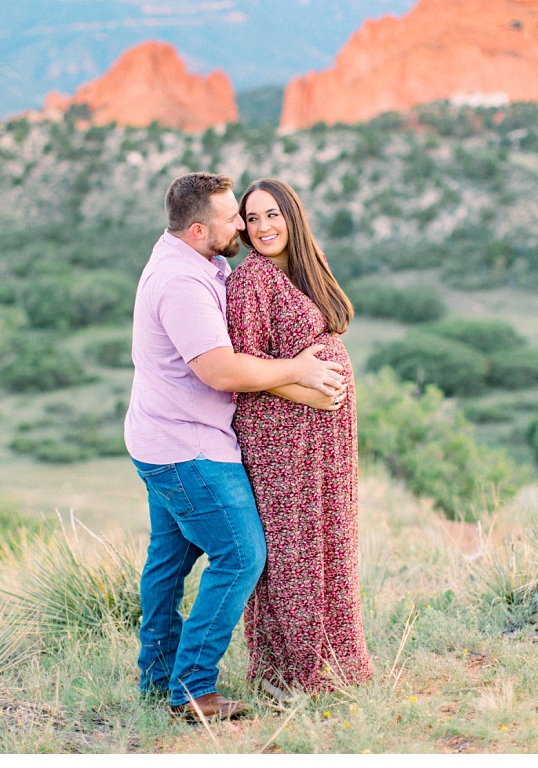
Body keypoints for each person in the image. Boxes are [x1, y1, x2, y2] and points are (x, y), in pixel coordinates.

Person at [124, 172, 345, 722]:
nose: (243, 228)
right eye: (233, 219)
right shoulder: (181, 284)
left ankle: (157, 676)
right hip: (187, 448)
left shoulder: (197, 260)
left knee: (168, 562)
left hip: (161, 435)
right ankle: (193, 689)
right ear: (199, 229)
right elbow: (219, 370)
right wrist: (299, 370)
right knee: (241, 555)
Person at [226, 178, 372, 698]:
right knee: (294, 551)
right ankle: (289, 673)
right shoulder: (252, 280)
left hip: (326, 439)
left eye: (272, 214)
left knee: (331, 542)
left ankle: (337, 665)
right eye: (252, 218)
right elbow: (246, 365)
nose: (263, 227)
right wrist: (311, 394)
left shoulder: (308, 269)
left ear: (292, 215)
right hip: (280, 439)